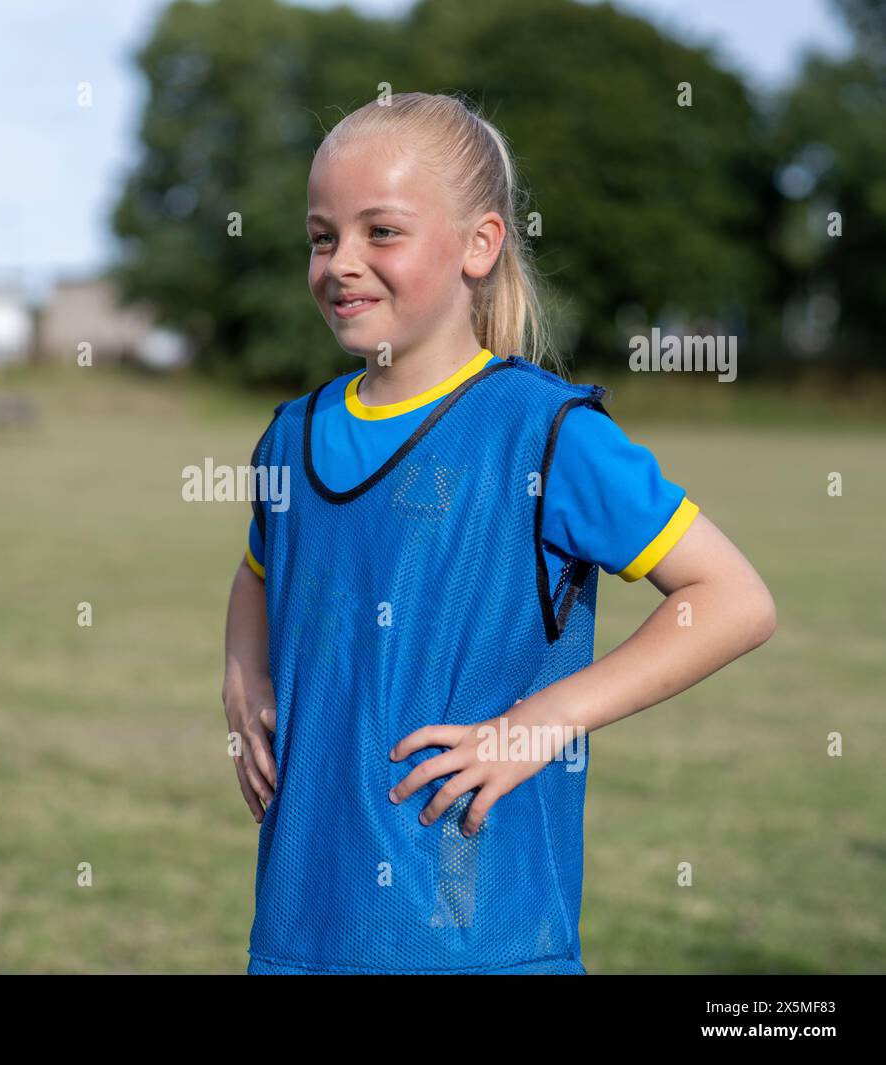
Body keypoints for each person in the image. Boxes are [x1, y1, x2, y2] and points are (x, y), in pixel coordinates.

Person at [221, 91, 776, 975]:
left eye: (382, 232)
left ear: (480, 244)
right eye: (322, 236)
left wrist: (541, 721)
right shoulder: (291, 433)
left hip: (481, 939)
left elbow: (733, 599)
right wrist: (244, 674)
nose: (341, 263)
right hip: (296, 939)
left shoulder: (546, 433)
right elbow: (258, 571)